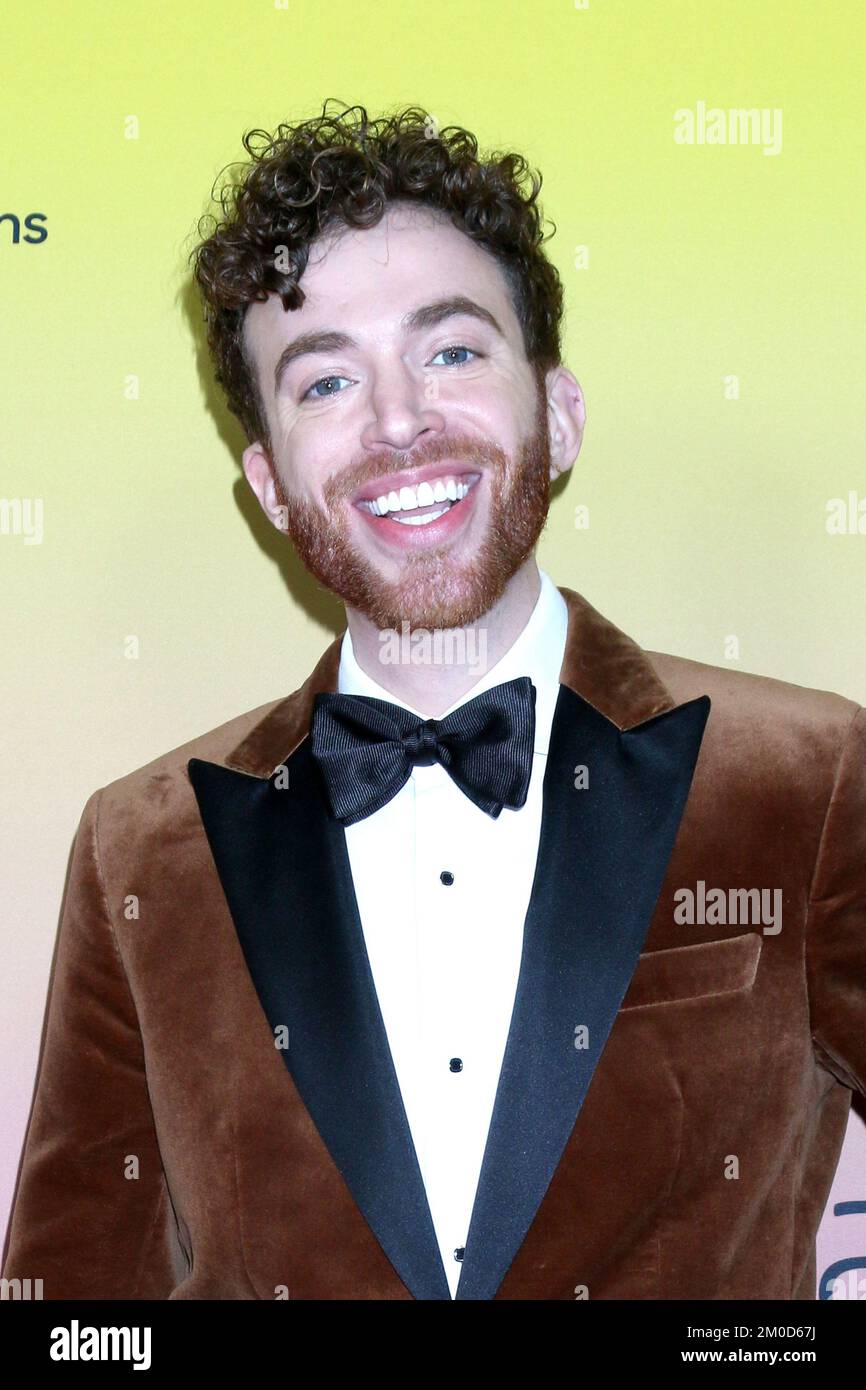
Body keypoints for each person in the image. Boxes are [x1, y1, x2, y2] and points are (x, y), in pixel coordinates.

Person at [3, 101, 864, 1301]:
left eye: (450, 352)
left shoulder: (806, 775)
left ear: (555, 416)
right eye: (323, 383)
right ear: (267, 484)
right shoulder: (144, 842)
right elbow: (74, 1308)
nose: (399, 423)